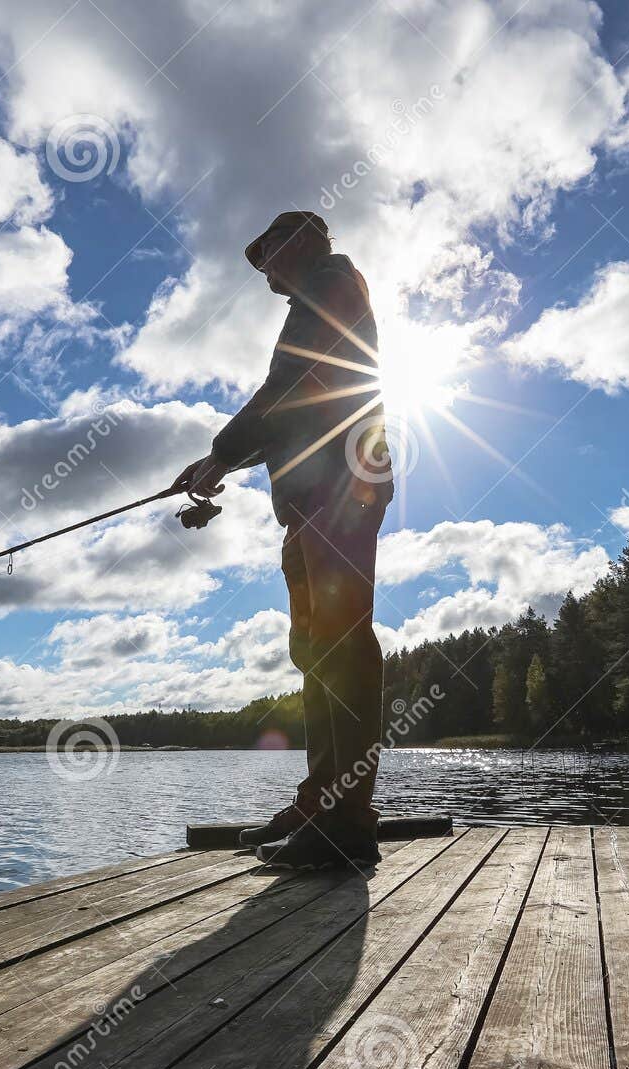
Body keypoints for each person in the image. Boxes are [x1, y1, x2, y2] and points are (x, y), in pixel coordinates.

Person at [174, 211, 393, 869]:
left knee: (341, 646)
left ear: (301, 239)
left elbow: (292, 383)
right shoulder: (317, 294)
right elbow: (293, 409)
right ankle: (321, 802)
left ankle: (345, 821)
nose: (261, 265)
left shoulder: (330, 281)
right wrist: (221, 463)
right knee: (316, 648)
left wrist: (221, 451)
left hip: (341, 495)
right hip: (311, 503)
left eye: (265, 249)